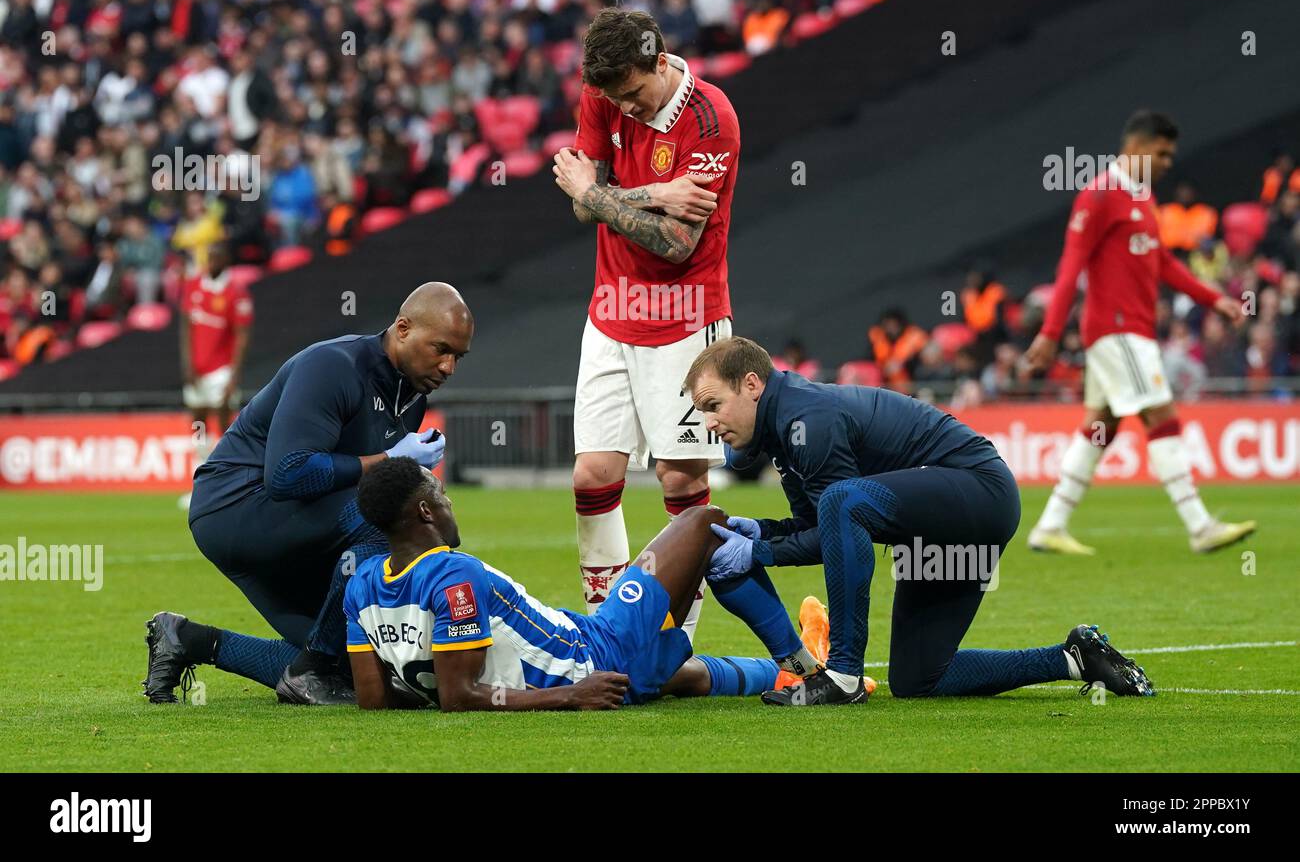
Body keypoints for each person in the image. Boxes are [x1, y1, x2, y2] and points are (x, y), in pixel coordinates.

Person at [686, 336, 1156, 707]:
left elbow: (838, 515)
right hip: (948, 526)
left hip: (977, 492)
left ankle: (844, 674)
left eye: (712, 405)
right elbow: (819, 531)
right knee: (919, 678)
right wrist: (763, 532)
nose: (709, 423)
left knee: (843, 501)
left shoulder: (804, 417)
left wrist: (760, 552)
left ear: (751, 385)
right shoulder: (787, 427)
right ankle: (1076, 658)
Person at [142, 283, 472, 706]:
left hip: (302, 523)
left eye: (457, 357)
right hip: (237, 506)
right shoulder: (332, 366)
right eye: (441, 349)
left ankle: (187, 639)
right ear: (403, 328)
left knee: (365, 663)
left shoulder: (410, 396)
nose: (448, 367)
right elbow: (287, 474)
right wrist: (390, 457)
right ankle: (310, 670)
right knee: (386, 518)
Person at [345, 457, 834, 711]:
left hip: (591, 661)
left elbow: (375, 699)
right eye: (443, 495)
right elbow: (460, 697)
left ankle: (800, 668)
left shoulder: (362, 584)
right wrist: (571, 694)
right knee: (707, 521)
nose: (451, 505)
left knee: (673, 676)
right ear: (426, 511)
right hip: (595, 652)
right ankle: (805, 670)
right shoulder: (454, 573)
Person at [552, 7, 740, 632]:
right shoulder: (603, 92)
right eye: (612, 98)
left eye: (633, 93)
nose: (623, 109)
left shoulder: (712, 122)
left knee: (680, 478)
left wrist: (597, 193)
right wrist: (656, 192)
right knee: (592, 475)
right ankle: (606, 629)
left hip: (687, 321)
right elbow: (584, 209)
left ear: (660, 63)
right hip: (609, 311)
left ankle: (673, 633)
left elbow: (675, 244)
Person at [1024, 111, 1256, 555]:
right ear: (1135, 148)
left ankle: (1050, 525)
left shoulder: (1143, 197)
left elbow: (1163, 262)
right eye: (1162, 153)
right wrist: (1051, 332)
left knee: (1100, 428)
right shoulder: (1100, 195)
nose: (1169, 162)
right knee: (1162, 415)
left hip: (1132, 329)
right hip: (1116, 330)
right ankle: (1200, 526)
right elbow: (1071, 265)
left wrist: (1215, 299)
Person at [177, 239, 252, 511]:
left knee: (224, 423)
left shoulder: (236, 292)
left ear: (226, 260)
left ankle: (225, 486)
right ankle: (199, 484)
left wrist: (234, 375)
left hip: (221, 370)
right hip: (197, 369)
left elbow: (242, 337)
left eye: (216, 256)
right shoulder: (194, 285)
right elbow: (186, 327)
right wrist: (187, 364)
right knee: (198, 423)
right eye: (209, 257)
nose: (211, 261)